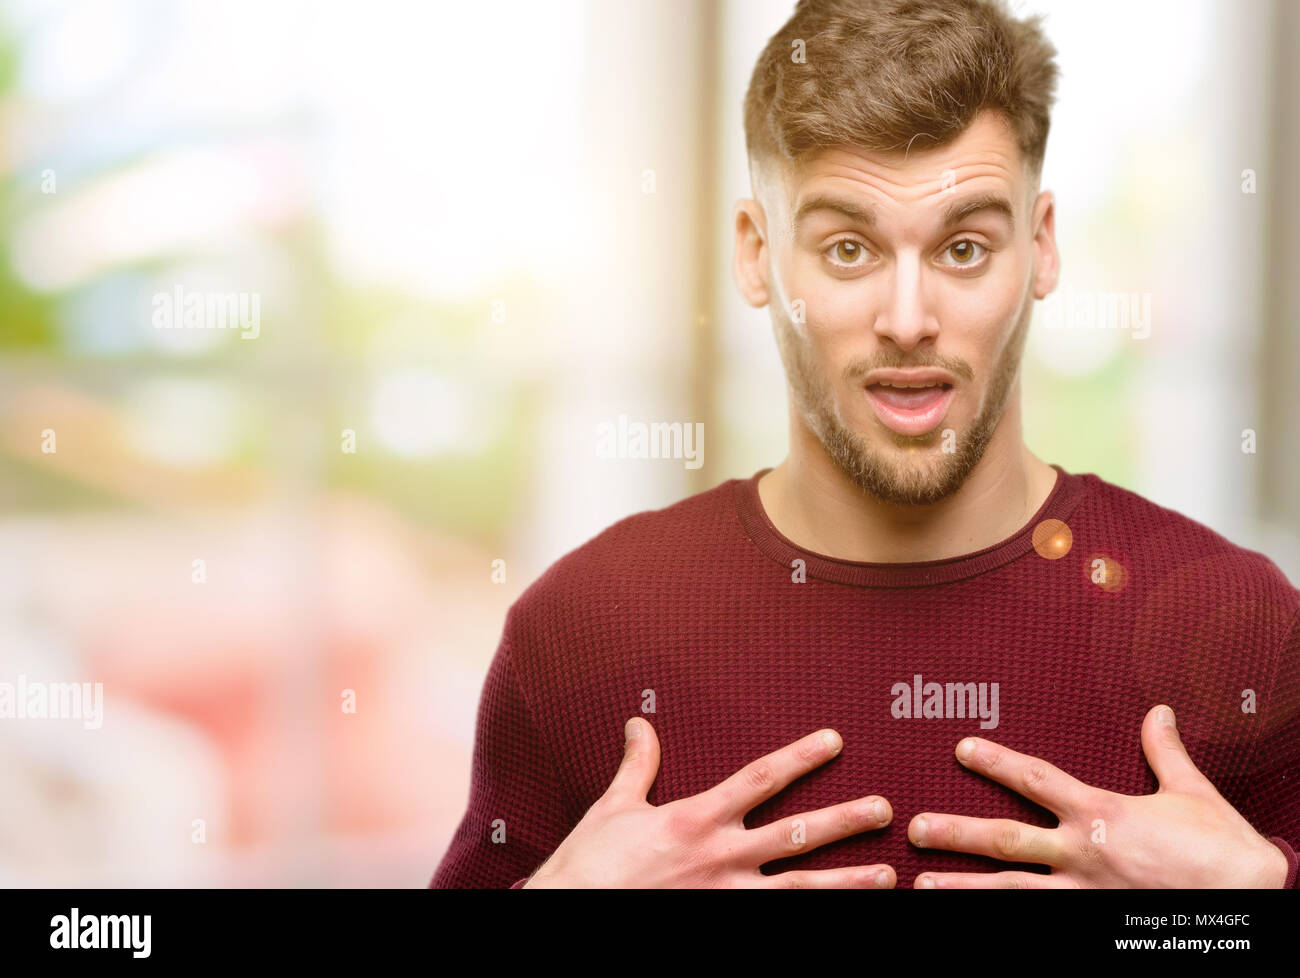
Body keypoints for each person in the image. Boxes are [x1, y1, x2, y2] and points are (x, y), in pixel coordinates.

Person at [431, 0, 1299, 889]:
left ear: (1039, 249)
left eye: (964, 248)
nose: (909, 320)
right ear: (756, 253)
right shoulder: (582, 630)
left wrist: (1229, 917)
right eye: (849, 249)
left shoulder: (1242, 627)